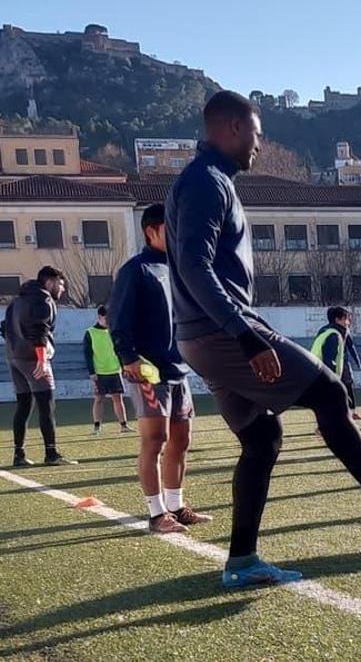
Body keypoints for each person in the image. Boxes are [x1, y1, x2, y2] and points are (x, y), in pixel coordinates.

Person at [169, 90, 361, 589]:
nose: (259, 144)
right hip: (222, 330)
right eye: (256, 133)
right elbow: (192, 265)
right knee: (330, 392)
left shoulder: (208, 180)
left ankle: (242, 561)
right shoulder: (206, 181)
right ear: (232, 128)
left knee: (261, 439)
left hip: (204, 335)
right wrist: (245, 336)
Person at [111, 203, 211, 534]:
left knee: (181, 440)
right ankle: (156, 514)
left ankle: (177, 506)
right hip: (148, 370)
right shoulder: (135, 270)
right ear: (151, 231)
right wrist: (128, 358)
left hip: (179, 368)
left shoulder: (179, 269)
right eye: (173, 228)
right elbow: (119, 320)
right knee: (155, 439)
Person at [3, 265, 73, 466]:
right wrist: (41, 360)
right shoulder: (43, 300)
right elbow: (39, 330)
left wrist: (15, 347)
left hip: (14, 357)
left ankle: (19, 455)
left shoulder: (17, 301)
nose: (62, 289)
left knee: (23, 405)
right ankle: (51, 454)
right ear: (50, 282)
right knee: (46, 404)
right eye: (60, 284)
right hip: (33, 358)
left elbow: (4, 327)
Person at [83, 305, 132, 435]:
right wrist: (92, 372)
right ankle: (97, 427)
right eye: (107, 318)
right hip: (100, 372)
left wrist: (123, 367)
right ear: (99, 317)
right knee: (98, 399)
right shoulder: (90, 333)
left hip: (115, 371)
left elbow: (119, 350)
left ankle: (124, 425)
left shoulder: (114, 331)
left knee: (118, 399)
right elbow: (88, 355)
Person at [309, 306, 360, 425]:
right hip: (327, 369)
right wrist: (331, 377)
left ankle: (343, 416)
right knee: (336, 395)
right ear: (337, 319)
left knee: (339, 393)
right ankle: (329, 424)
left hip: (323, 367)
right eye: (346, 319)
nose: (348, 322)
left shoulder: (331, 331)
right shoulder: (334, 334)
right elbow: (329, 357)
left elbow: (349, 346)